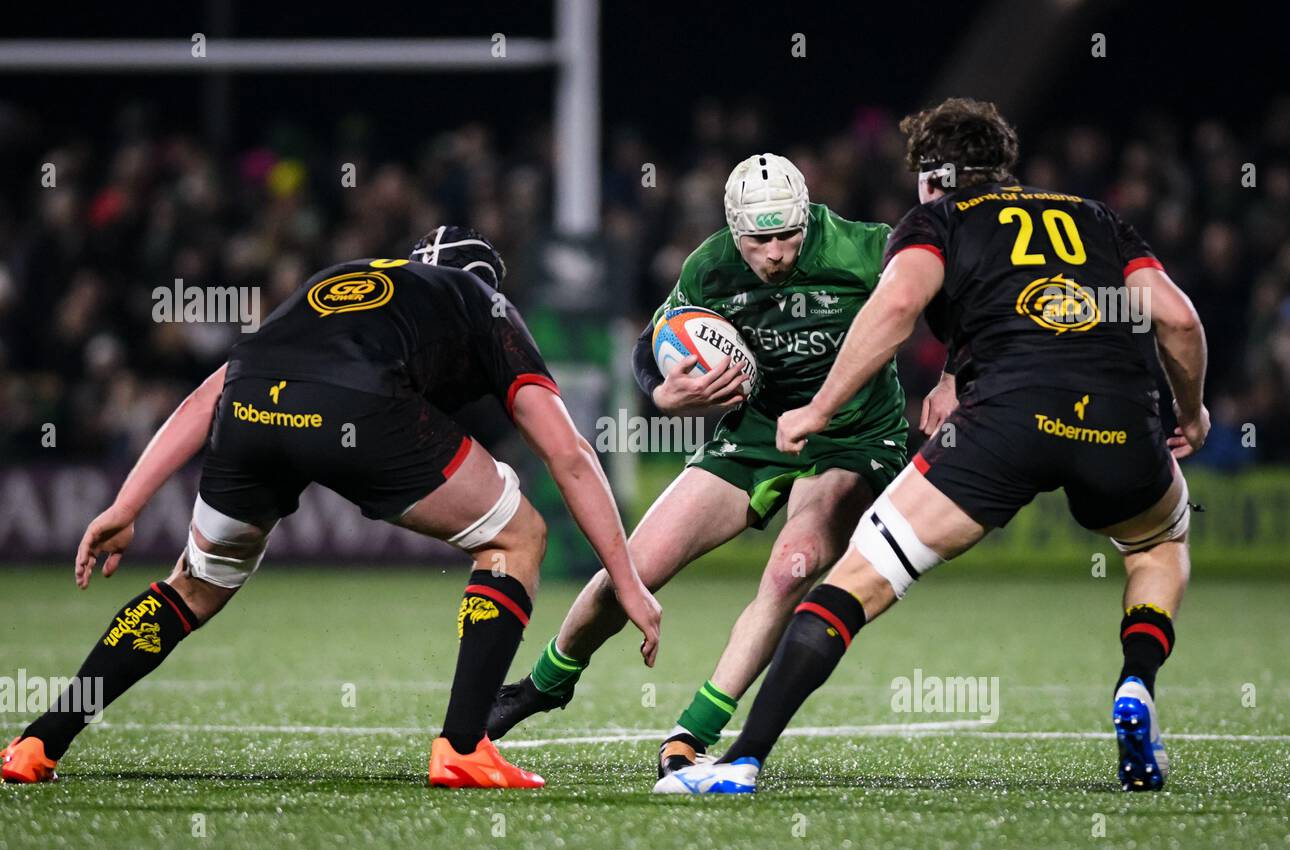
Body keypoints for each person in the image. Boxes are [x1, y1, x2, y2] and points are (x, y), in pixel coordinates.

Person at [658, 99, 1209, 795]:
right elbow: (1179, 320)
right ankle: (1136, 684)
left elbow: (893, 308)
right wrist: (1191, 412)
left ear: (930, 177)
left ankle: (742, 760)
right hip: (1121, 418)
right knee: (1159, 547)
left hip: (1004, 421)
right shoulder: (1099, 218)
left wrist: (818, 408)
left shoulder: (938, 219)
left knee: (856, 583)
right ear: (1002, 168)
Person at [2, 226, 660, 789]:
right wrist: (626, 581)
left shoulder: (337, 282)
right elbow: (568, 454)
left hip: (252, 408)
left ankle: (38, 743)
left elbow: (214, 391)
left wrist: (126, 503)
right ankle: (463, 748)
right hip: (359, 408)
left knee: (193, 587)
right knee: (516, 537)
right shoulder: (483, 302)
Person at [486, 154, 913, 782]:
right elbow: (648, 349)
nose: (775, 253)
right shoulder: (710, 266)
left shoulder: (865, 247)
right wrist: (663, 395)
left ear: (808, 215)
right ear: (734, 230)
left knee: (791, 565)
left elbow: (952, 297)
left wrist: (957, 375)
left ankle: (693, 734)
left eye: (788, 233)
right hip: (755, 432)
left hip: (855, 436)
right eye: (758, 240)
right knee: (632, 569)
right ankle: (543, 685)